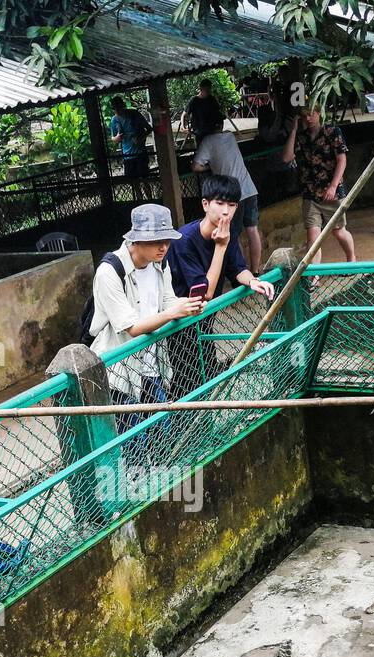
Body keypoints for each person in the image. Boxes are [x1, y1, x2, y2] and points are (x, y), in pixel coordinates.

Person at [88, 203, 203, 454]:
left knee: (163, 431)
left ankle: (161, 481)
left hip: (154, 364)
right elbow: (131, 327)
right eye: (155, 241)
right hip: (121, 371)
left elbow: (168, 302)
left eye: (167, 241)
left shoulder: (159, 263)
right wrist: (174, 312)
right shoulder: (110, 271)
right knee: (134, 442)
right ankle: (137, 487)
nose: (163, 247)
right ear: (136, 240)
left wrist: (187, 305)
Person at [166, 174, 277, 388]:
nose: (226, 211)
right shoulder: (184, 241)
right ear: (205, 204)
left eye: (232, 205)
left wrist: (253, 281)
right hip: (180, 321)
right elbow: (204, 292)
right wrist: (220, 247)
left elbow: (237, 268)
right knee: (186, 379)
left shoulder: (228, 233)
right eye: (220, 203)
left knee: (206, 373)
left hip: (206, 318)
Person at [282, 107, 356, 270]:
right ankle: (314, 274)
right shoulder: (302, 137)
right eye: (304, 116)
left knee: (338, 231)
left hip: (332, 193)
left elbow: (342, 160)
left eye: (311, 114)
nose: (308, 118)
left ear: (319, 113)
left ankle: (351, 259)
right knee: (313, 236)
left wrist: (333, 186)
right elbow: (287, 157)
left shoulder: (332, 131)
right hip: (310, 192)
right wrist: (294, 130)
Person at [190, 128, 262, 269]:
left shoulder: (208, 141)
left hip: (231, 194)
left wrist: (209, 167)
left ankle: (240, 269)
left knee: (233, 235)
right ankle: (255, 270)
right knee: (252, 230)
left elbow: (196, 166)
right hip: (249, 188)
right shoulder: (229, 135)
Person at [109, 97, 153, 198]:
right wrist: (117, 138)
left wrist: (141, 138)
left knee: (145, 180)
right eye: (115, 109)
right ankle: (139, 201)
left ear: (122, 106)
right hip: (127, 156)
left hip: (140, 153)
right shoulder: (114, 120)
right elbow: (113, 138)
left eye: (118, 108)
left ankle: (150, 201)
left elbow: (149, 128)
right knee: (134, 183)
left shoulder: (134, 114)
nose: (117, 111)